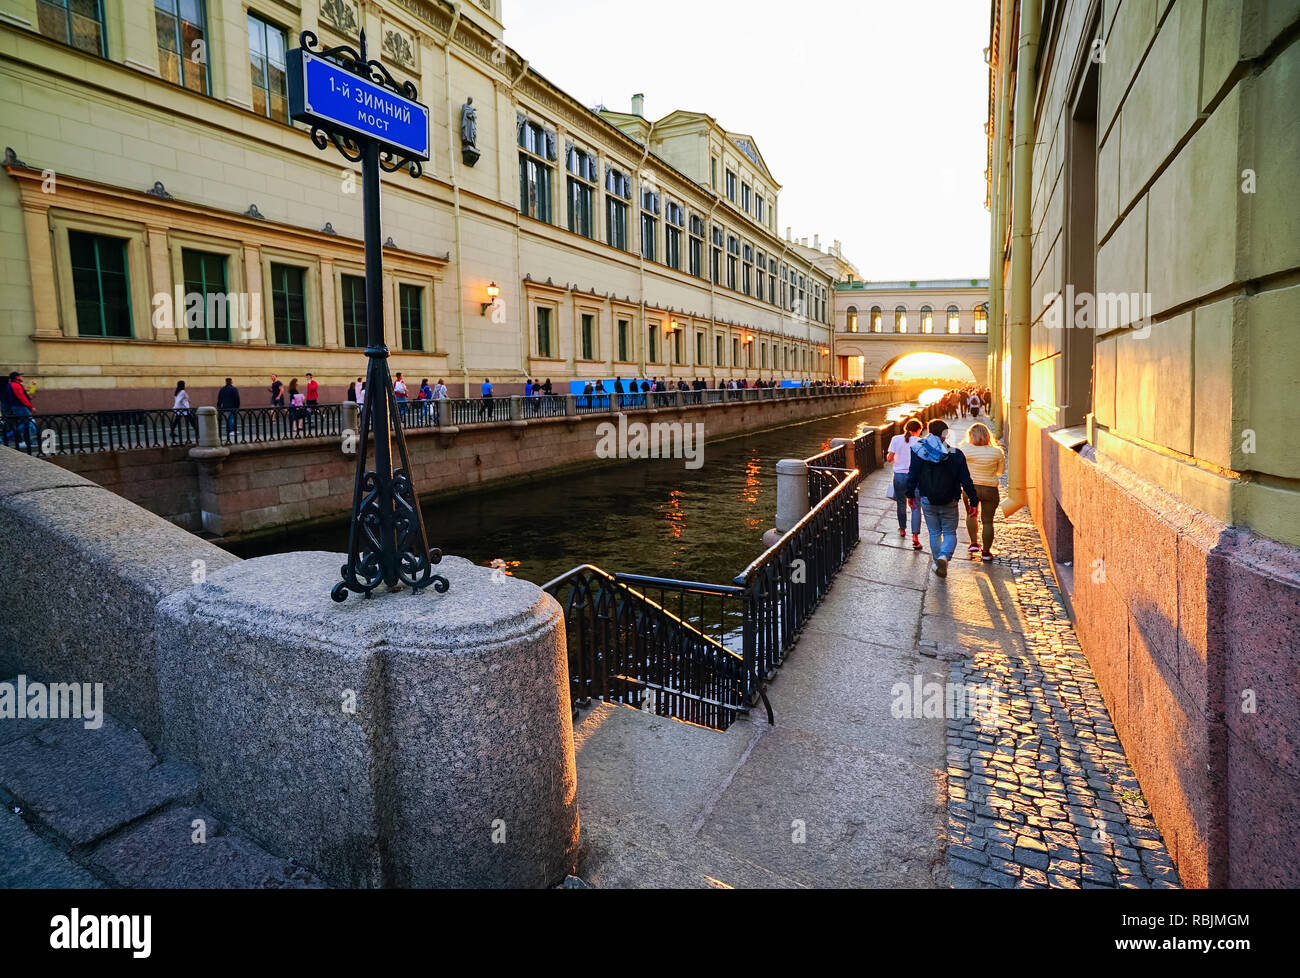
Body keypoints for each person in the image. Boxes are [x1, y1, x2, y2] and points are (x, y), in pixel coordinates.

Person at [905, 419, 977, 579]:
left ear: (929, 431)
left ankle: (938, 564)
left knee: (934, 532)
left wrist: (910, 495)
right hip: (950, 499)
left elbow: (913, 475)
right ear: (946, 434)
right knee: (950, 532)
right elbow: (966, 480)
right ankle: (944, 557)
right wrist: (973, 501)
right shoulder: (955, 454)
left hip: (927, 498)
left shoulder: (918, 451)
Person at [963, 423, 1006, 561]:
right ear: (988, 435)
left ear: (971, 436)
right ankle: (986, 552)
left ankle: (974, 543)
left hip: (970, 489)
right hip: (990, 489)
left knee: (971, 514)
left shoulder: (965, 450)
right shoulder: (997, 452)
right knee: (988, 521)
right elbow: (1000, 471)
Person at [886, 419, 925, 550]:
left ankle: (902, 529)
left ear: (905, 428)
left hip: (899, 476)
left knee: (901, 503)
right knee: (915, 506)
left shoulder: (896, 439)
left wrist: (897, 458)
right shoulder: (920, 441)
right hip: (914, 478)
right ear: (918, 430)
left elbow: (889, 458)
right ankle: (915, 537)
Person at [3, 370, 37, 449]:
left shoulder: (14, 385)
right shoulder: (15, 385)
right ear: (16, 378)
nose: (22, 377)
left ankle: (23, 440)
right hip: (20, 407)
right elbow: (22, 398)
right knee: (29, 424)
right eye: (20, 376)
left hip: (17, 407)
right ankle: (27, 441)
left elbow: (25, 395)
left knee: (25, 424)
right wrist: (30, 407)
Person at [216, 377, 240, 442]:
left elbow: (219, 398)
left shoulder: (222, 389)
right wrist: (237, 406)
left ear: (226, 382)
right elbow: (237, 398)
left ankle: (231, 430)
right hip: (233, 406)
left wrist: (219, 405)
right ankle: (231, 430)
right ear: (231, 382)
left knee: (229, 418)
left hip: (225, 406)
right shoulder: (234, 389)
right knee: (232, 418)